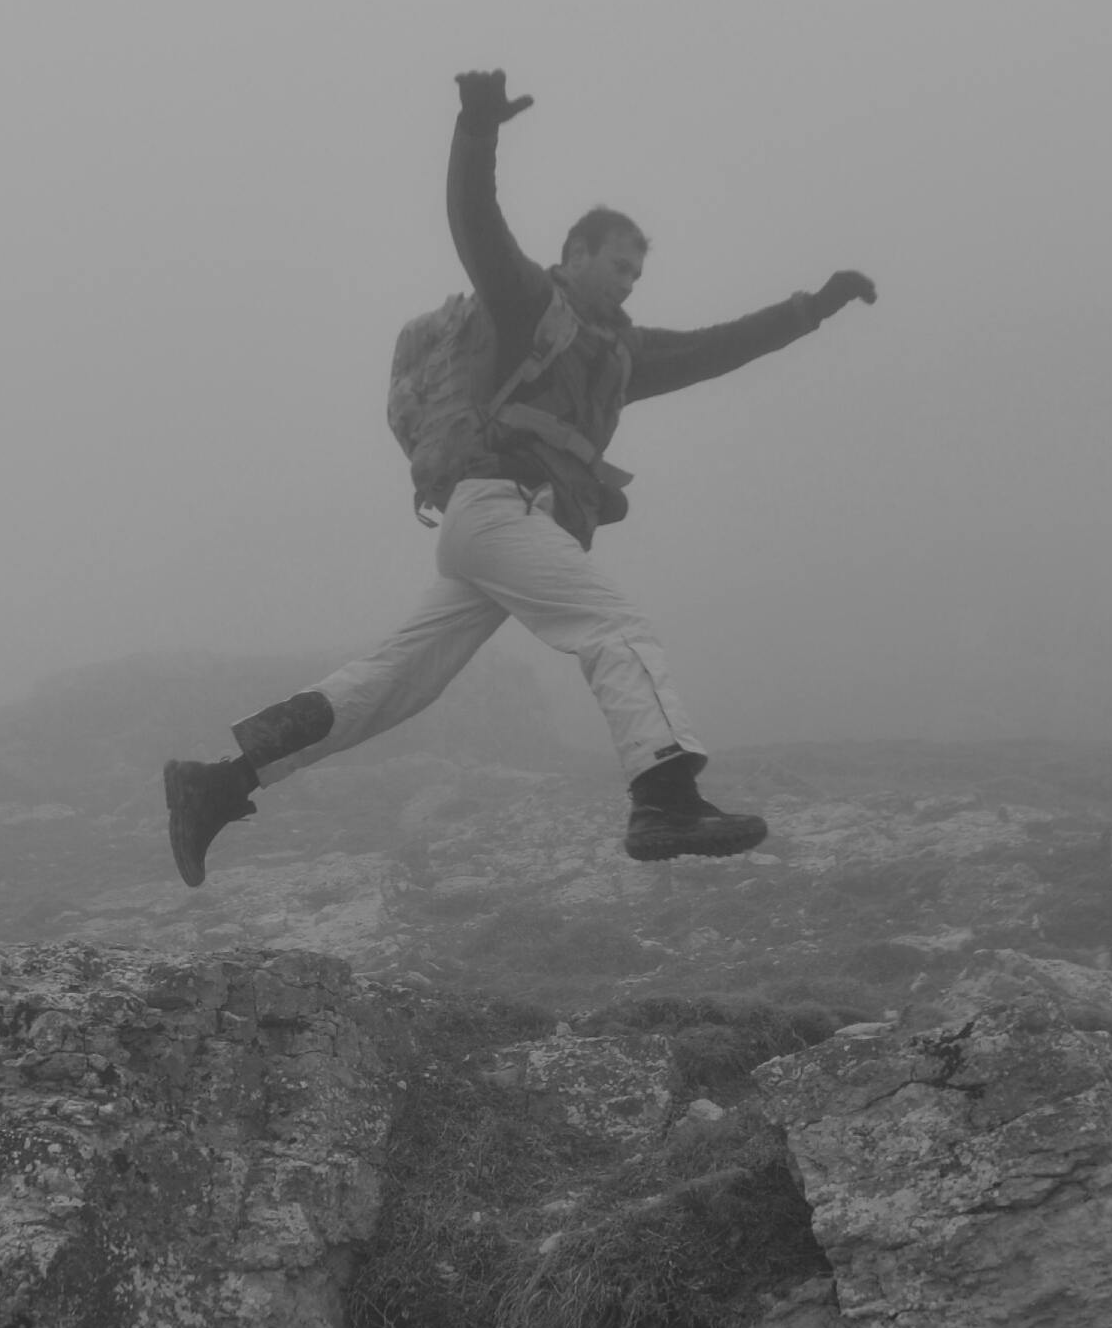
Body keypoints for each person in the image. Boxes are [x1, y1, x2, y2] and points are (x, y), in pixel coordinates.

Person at [163, 68, 875, 884]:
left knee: (395, 683)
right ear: (575, 255)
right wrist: (476, 133)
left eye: (636, 274)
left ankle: (219, 783)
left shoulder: (621, 352)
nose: (628, 282)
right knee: (614, 627)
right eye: (617, 265)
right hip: (500, 508)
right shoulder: (529, 302)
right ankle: (665, 796)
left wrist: (812, 308)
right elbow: (476, 226)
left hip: (497, 531)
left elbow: (718, 347)